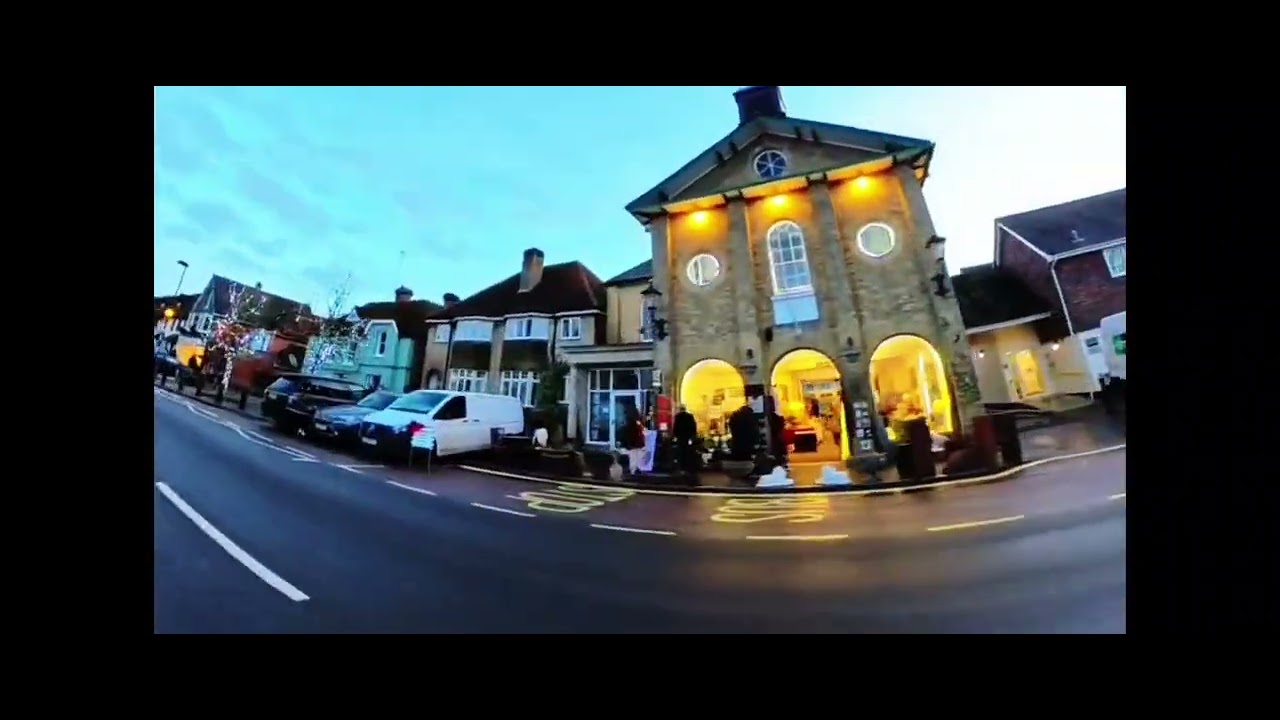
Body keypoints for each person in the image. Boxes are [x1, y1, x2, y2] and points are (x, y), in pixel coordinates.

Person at [619, 406, 646, 475]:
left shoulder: (630, 423)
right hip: (637, 444)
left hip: (632, 444)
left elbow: (627, 433)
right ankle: (635, 472)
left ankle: (633, 472)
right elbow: (642, 431)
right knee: (636, 459)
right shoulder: (638, 422)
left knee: (633, 459)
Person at [673, 403, 698, 472]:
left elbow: (675, 427)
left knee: (680, 452)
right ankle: (688, 466)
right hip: (688, 437)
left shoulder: (677, 416)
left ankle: (681, 466)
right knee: (688, 451)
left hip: (680, 437)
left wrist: (675, 435)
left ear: (680, 409)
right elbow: (693, 426)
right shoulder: (690, 416)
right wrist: (693, 435)